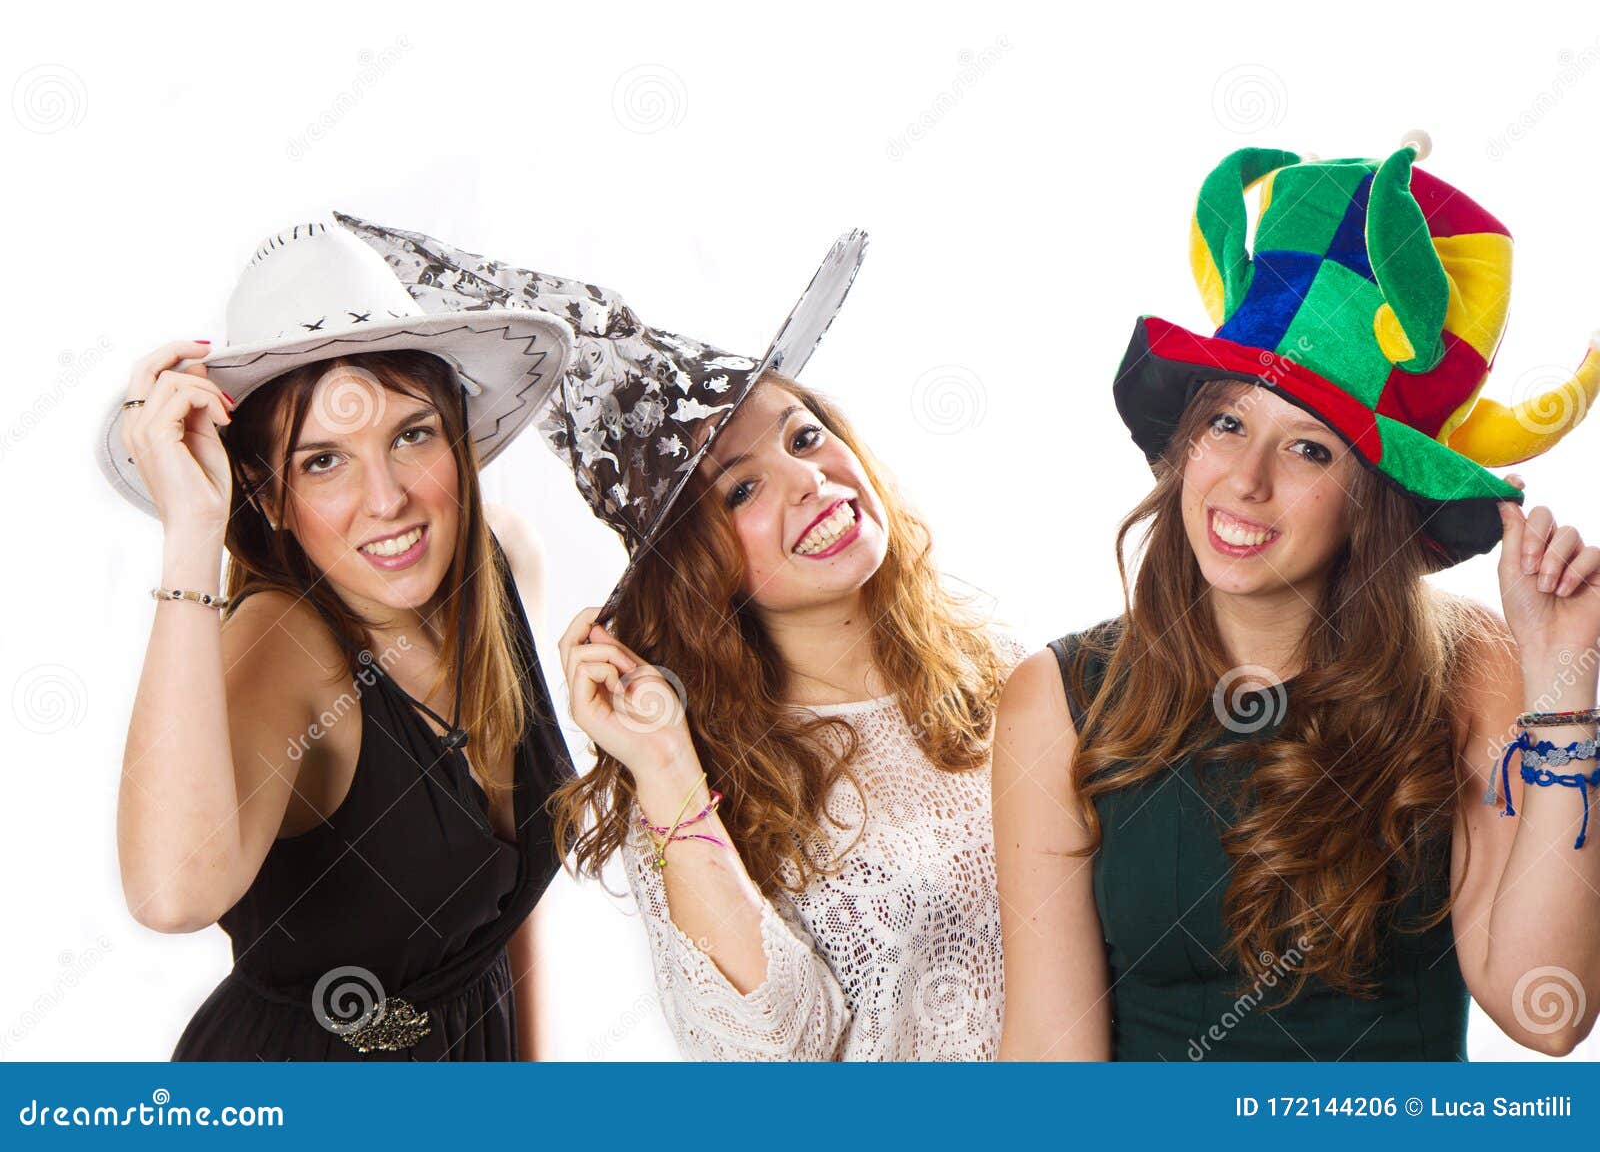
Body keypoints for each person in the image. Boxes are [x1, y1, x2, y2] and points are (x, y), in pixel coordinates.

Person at [346, 215, 1023, 1058]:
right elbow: (773, 1054)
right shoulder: (699, 778)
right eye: (741, 490)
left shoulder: (1007, 679)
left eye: (804, 436)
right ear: (697, 566)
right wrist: (666, 762)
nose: (809, 480)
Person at [994, 136, 1600, 1061]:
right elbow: (1050, 1059)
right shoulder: (1058, 699)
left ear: (1372, 498)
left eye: (1310, 448)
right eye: (1227, 422)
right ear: (1185, 441)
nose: (1246, 480)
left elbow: (1546, 1012)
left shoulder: (1470, 666)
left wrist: (1564, 686)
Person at [102, 217, 579, 1059]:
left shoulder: (505, 566)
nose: (386, 499)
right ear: (271, 498)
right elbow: (170, 895)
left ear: (458, 438)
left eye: (411, 434)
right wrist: (192, 535)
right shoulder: (280, 645)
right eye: (323, 460)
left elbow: (504, 916)